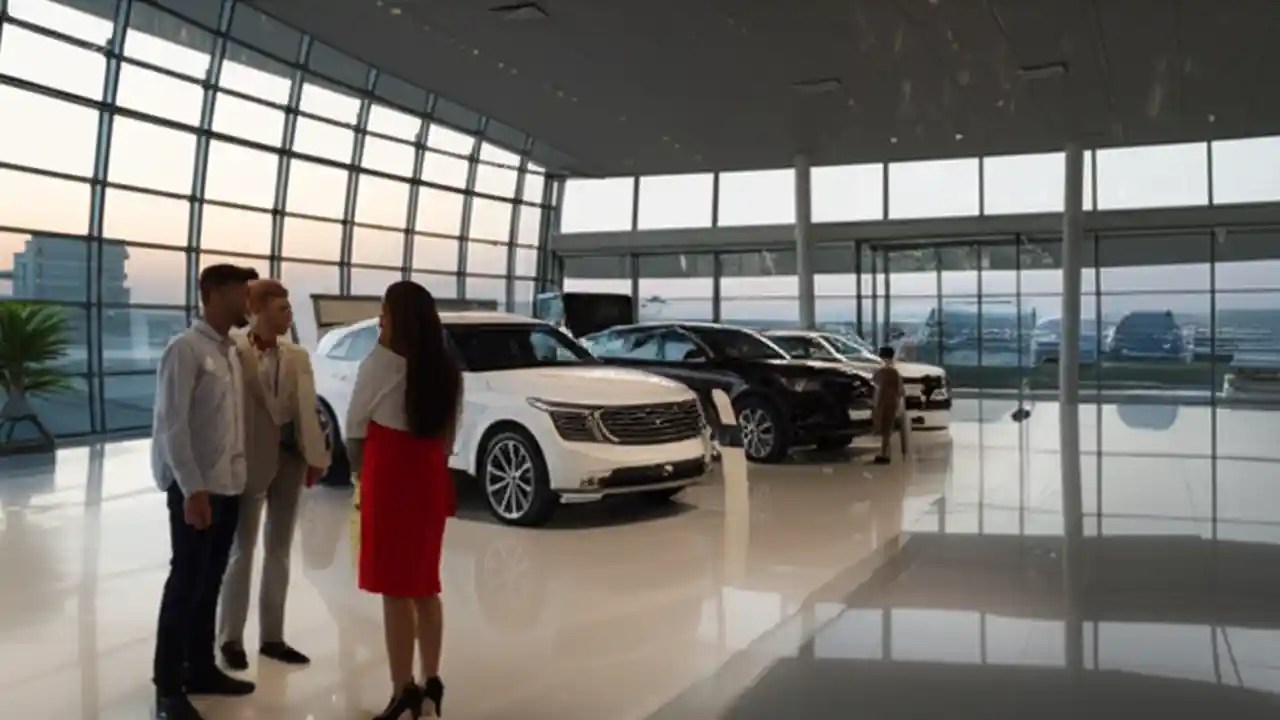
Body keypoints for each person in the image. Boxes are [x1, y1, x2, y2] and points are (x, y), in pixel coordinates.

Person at [346, 280, 462, 719]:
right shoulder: (447, 368)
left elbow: (355, 424)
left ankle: (403, 689)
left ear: (399, 319)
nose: (380, 320)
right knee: (426, 586)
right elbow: (450, 436)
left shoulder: (379, 363)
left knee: (395, 591)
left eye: (385, 312)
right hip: (430, 478)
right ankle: (432, 682)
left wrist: (360, 474)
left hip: (391, 477)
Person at [151, 264, 259, 720]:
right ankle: (168, 687)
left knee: (209, 582)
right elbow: (173, 426)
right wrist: (192, 490)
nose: (247, 303)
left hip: (227, 487)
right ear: (214, 294)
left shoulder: (230, 351)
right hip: (197, 490)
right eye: (241, 294)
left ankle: (201, 668)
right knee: (185, 584)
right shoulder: (186, 349)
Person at [218, 279, 330, 671]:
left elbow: (308, 409)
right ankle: (230, 638)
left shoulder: (297, 355)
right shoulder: (234, 349)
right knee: (242, 550)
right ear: (259, 310)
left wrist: (316, 456)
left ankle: (273, 637)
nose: (289, 316)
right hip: (248, 461)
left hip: (290, 458)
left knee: (280, 550)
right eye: (282, 309)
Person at [871, 345, 908, 465]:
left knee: (884, 429)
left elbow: (876, 387)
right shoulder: (896, 372)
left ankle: (885, 454)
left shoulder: (881, 371)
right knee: (887, 428)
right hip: (892, 401)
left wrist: (874, 404)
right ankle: (885, 452)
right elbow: (901, 390)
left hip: (883, 402)